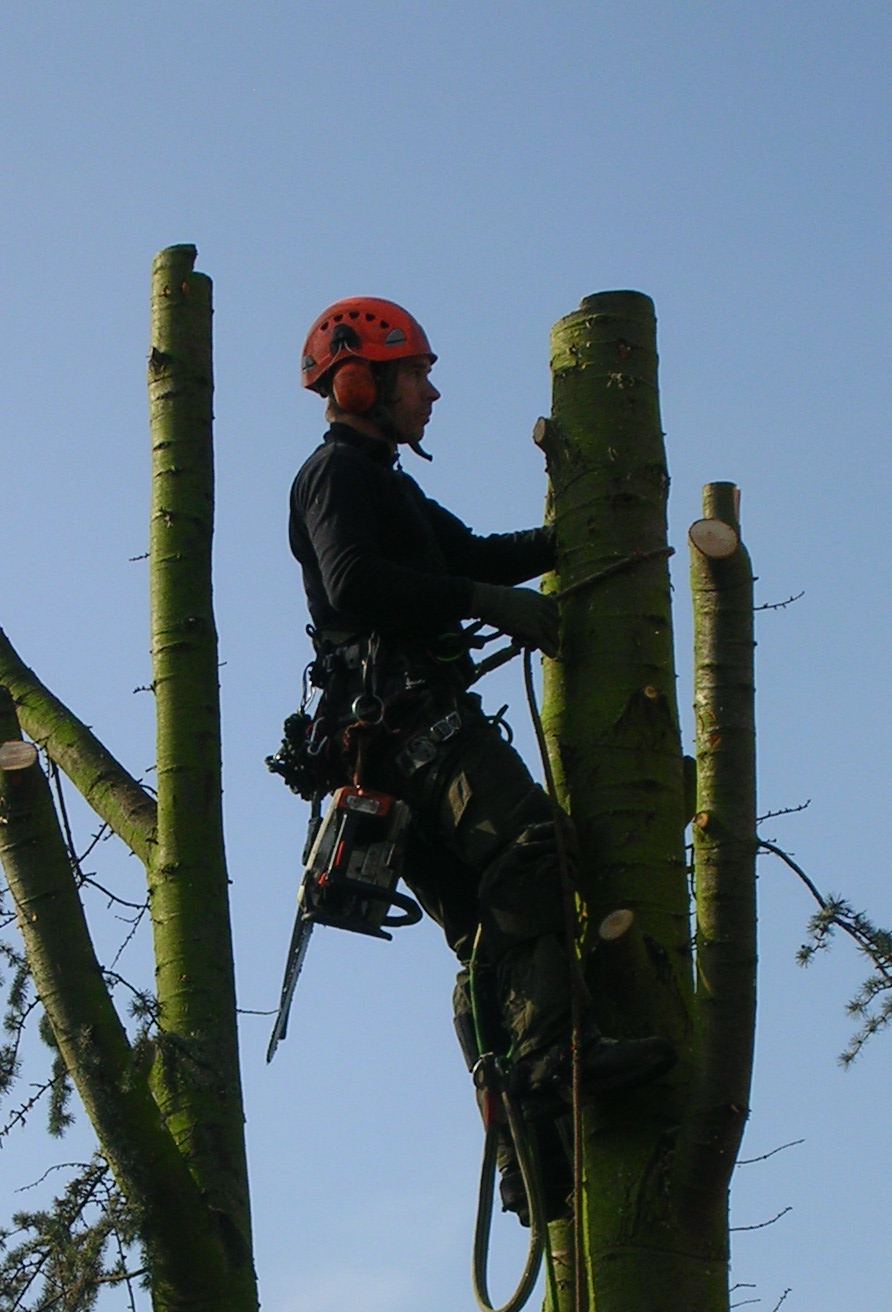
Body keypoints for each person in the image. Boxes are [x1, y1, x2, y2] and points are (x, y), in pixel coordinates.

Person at [287, 297, 674, 1221]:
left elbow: (471, 553)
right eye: (415, 372)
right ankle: (551, 1058)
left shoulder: (391, 485)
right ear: (359, 380)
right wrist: (482, 603)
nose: (431, 391)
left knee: (482, 937)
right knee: (532, 842)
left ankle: (525, 1147)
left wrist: (579, 537)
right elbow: (356, 583)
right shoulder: (334, 476)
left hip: (396, 746)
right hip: (407, 732)